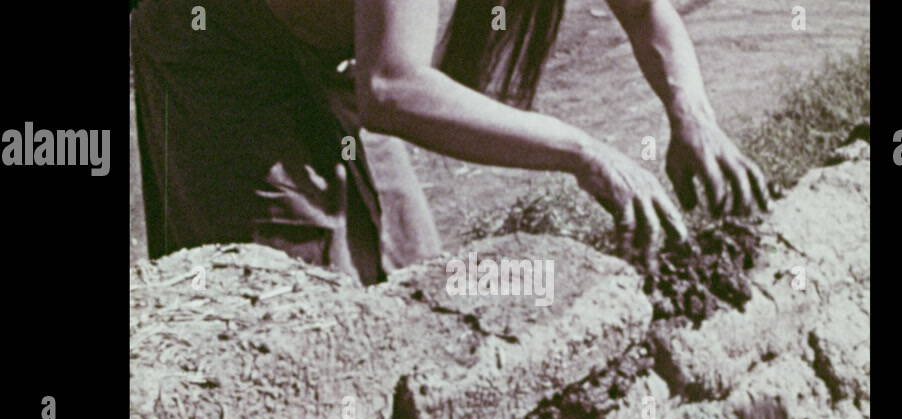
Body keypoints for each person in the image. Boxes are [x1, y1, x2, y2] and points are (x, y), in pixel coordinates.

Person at [132, 0, 772, 285]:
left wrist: (693, 115)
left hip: (340, 58)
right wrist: (587, 154)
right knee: (296, 288)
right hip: (222, 52)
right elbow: (393, 89)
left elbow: (644, 11)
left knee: (410, 270)